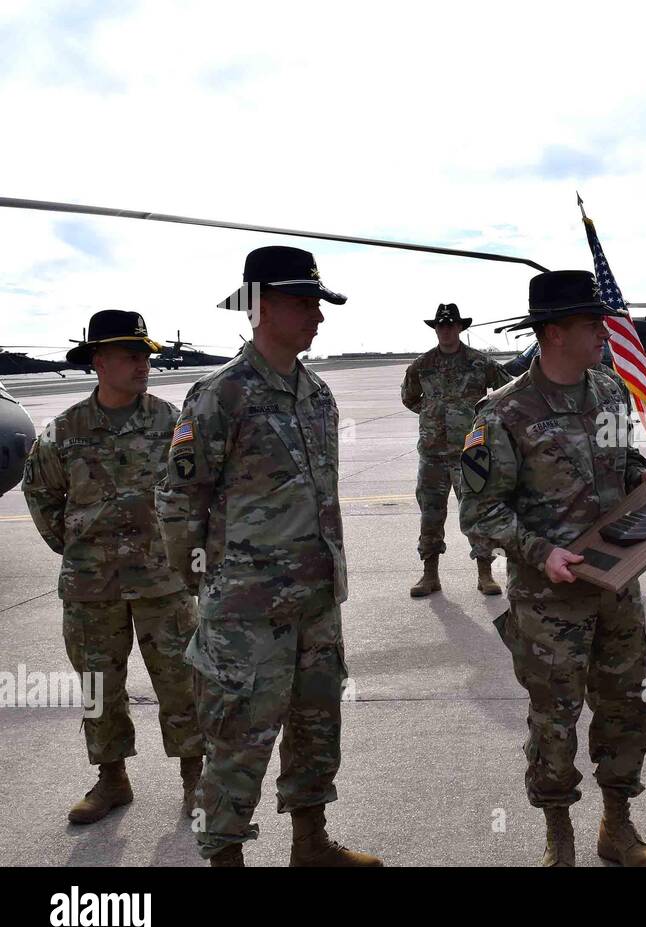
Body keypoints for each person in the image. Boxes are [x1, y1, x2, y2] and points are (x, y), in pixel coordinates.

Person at [156, 246, 380, 867]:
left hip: (315, 602)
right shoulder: (219, 395)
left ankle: (310, 843)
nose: (318, 317)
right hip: (246, 613)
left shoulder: (317, 395)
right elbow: (178, 502)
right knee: (237, 741)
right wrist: (210, 585)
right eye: (305, 303)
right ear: (262, 309)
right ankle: (225, 856)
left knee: (316, 729)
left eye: (318, 303)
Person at [459, 270, 646, 867]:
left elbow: (623, 459)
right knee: (556, 720)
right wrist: (538, 550)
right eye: (590, 323)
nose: (604, 331)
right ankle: (559, 837)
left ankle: (617, 828)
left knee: (626, 708)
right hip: (550, 600)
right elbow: (478, 508)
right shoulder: (503, 412)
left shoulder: (609, 393)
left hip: (616, 587)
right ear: (553, 333)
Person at [23, 310, 202, 824]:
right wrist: (78, 546)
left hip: (161, 581)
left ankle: (195, 776)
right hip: (90, 586)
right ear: (100, 361)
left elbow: (198, 490)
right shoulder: (66, 430)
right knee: (99, 686)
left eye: (146, 355)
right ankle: (111, 779)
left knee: (181, 680)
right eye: (131, 355)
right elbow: (40, 491)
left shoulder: (171, 422)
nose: (144, 363)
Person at [400, 302, 512, 597]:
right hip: (433, 454)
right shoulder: (422, 365)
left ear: (460, 327)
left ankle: (485, 574)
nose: (446, 329)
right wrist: (432, 418)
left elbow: (506, 391)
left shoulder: (480, 362)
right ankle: (430, 575)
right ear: (435, 328)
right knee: (431, 515)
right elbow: (409, 398)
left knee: (478, 512)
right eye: (441, 325)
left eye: (451, 325)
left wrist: (481, 419)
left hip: (470, 452)